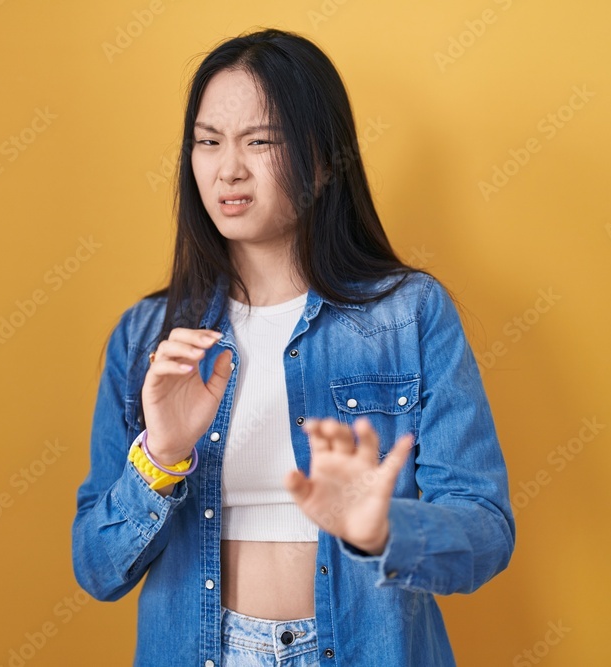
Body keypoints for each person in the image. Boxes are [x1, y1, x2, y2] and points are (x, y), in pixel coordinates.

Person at [71, 28, 515, 666]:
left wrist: (382, 528)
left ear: (324, 161)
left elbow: (486, 533)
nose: (229, 169)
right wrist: (162, 457)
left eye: (261, 141)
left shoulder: (410, 313)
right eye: (208, 141)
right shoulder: (149, 337)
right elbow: (97, 568)